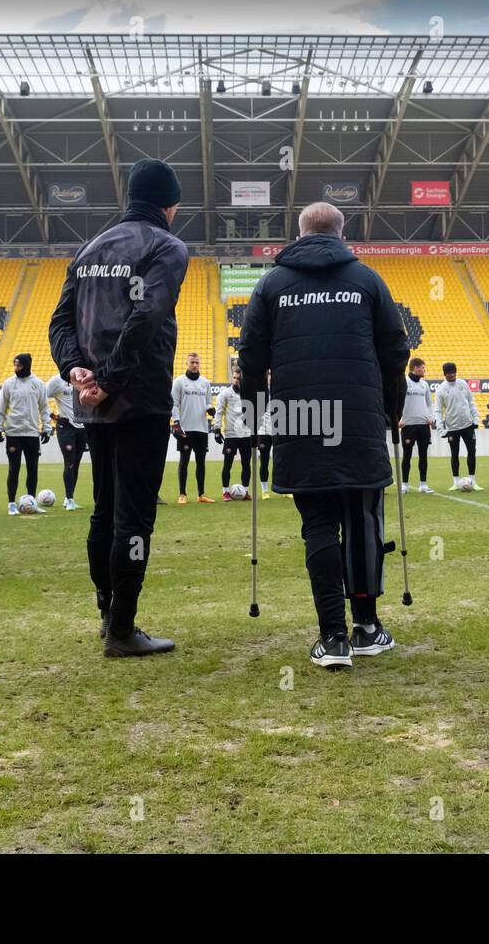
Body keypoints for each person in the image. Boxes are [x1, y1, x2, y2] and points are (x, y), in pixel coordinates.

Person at [239, 201, 409, 669]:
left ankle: (332, 637)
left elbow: (249, 359)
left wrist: (255, 418)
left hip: (300, 419)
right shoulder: (367, 280)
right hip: (357, 420)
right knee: (361, 521)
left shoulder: (272, 283)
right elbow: (396, 351)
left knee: (317, 524)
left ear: (300, 232)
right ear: (341, 232)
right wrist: (390, 411)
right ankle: (367, 627)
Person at [49, 157, 189, 657]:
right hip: (139, 398)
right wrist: (107, 380)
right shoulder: (166, 246)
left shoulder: (88, 250)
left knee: (103, 511)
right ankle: (124, 629)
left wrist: (75, 371)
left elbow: (59, 322)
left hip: (92, 405)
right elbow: (147, 316)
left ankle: (108, 612)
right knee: (134, 518)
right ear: (170, 204)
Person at [0, 353, 50, 515]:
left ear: (26, 365)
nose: (15, 368)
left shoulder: (38, 384)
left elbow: (44, 408)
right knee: (14, 468)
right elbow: (1, 408)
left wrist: (46, 428)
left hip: (32, 433)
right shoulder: (8, 383)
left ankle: (31, 502)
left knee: (33, 469)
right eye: (14, 365)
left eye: (18, 365)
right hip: (13, 433)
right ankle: (12, 503)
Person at [171, 352, 214, 504]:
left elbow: (208, 402)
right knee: (184, 461)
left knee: (201, 462)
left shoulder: (206, 383)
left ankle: (201, 494)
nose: (194, 365)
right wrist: (176, 423)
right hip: (185, 428)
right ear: (186, 363)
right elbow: (174, 404)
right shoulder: (179, 382)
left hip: (202, 428)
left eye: (197, 362)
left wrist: (210, 409)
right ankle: (182, 494)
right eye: (192, 362)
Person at [47, 369, 88, 510]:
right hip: (66, 427)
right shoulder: (56, 381)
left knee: (75, 463)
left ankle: (68, 498)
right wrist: (54, 416)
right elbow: (40, 398)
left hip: (82, 426)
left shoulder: (82, 378)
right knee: (69, 462)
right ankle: (70, 499)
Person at [437, 361, 480, 490]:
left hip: (467, 425)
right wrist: (441, 428)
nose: (452, 375)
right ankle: (455, 482)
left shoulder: (463, 384)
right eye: (449, 373)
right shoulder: (441, 389)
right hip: (452, 427)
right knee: (454, 454)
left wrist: (476, 418)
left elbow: (471, 402)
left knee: (472, 452)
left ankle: (473, 481)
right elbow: (438, 410)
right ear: (445, 374)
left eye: (453, 372)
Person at [214, 366, 253, 500]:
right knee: (227, 464)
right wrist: (217, 429)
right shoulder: (225, 393)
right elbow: (219, 411)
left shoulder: (249, 393)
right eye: (234, 378)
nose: (236, 380)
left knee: (246, 464)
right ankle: (225, 492)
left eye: (238, 378)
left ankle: (246, 491)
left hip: (246, 435)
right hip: (231, 435)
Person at [399, 357, 436, 493]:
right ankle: (404, 485)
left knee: (423, 455)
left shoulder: (424, 385)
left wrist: (431, 417)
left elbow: (429, 404)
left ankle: (423, 484)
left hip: (423, 425)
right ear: (415, 368)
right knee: (407, 455)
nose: (424, 370)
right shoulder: (404, 382)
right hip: (408, 425)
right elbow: (398, 401)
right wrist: (399, 418)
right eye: (422, 367)